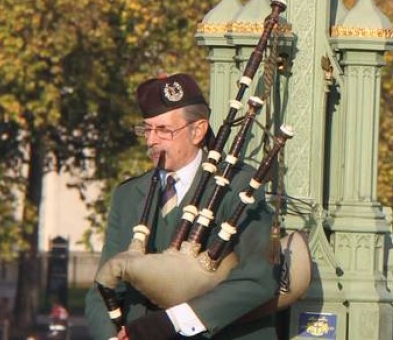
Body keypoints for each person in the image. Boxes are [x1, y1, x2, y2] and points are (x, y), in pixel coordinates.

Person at [85, 73, 280, 340]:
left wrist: (173, 321)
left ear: (197, 130)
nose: (151, 140)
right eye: (147, 129)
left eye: (164, 130)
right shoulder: (129, 195)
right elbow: (103, 287)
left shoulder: (238, 185)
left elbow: (259, 277)